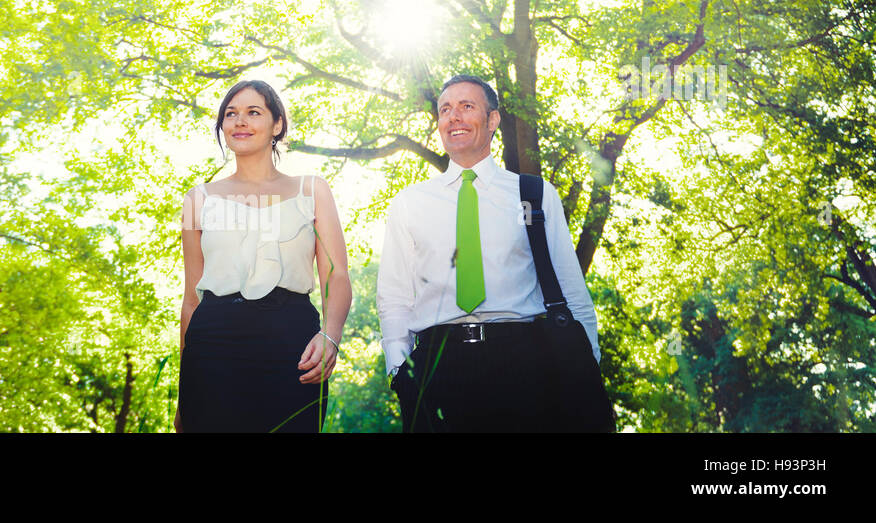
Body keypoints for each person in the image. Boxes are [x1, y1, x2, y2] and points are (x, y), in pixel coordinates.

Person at [376, 75, 602, 432]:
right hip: (437, 364)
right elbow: (394, 295)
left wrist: (586, 366)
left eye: (467, 107)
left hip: (524, 361)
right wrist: (399, 371)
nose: (454, 117)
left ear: (493, 120)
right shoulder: (410, 203)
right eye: (445, 110)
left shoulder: (533, 194)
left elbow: (571, 288)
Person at [176, 80, 352, 433]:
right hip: (212, 346)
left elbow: (337, 276)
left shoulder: (312, 190)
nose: (240, 121)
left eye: (253, 112)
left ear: (277, 125)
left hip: (291, 342)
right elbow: (191, 300)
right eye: (231, 114)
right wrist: (184, 392)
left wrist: (330, 336)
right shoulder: (198, 199)